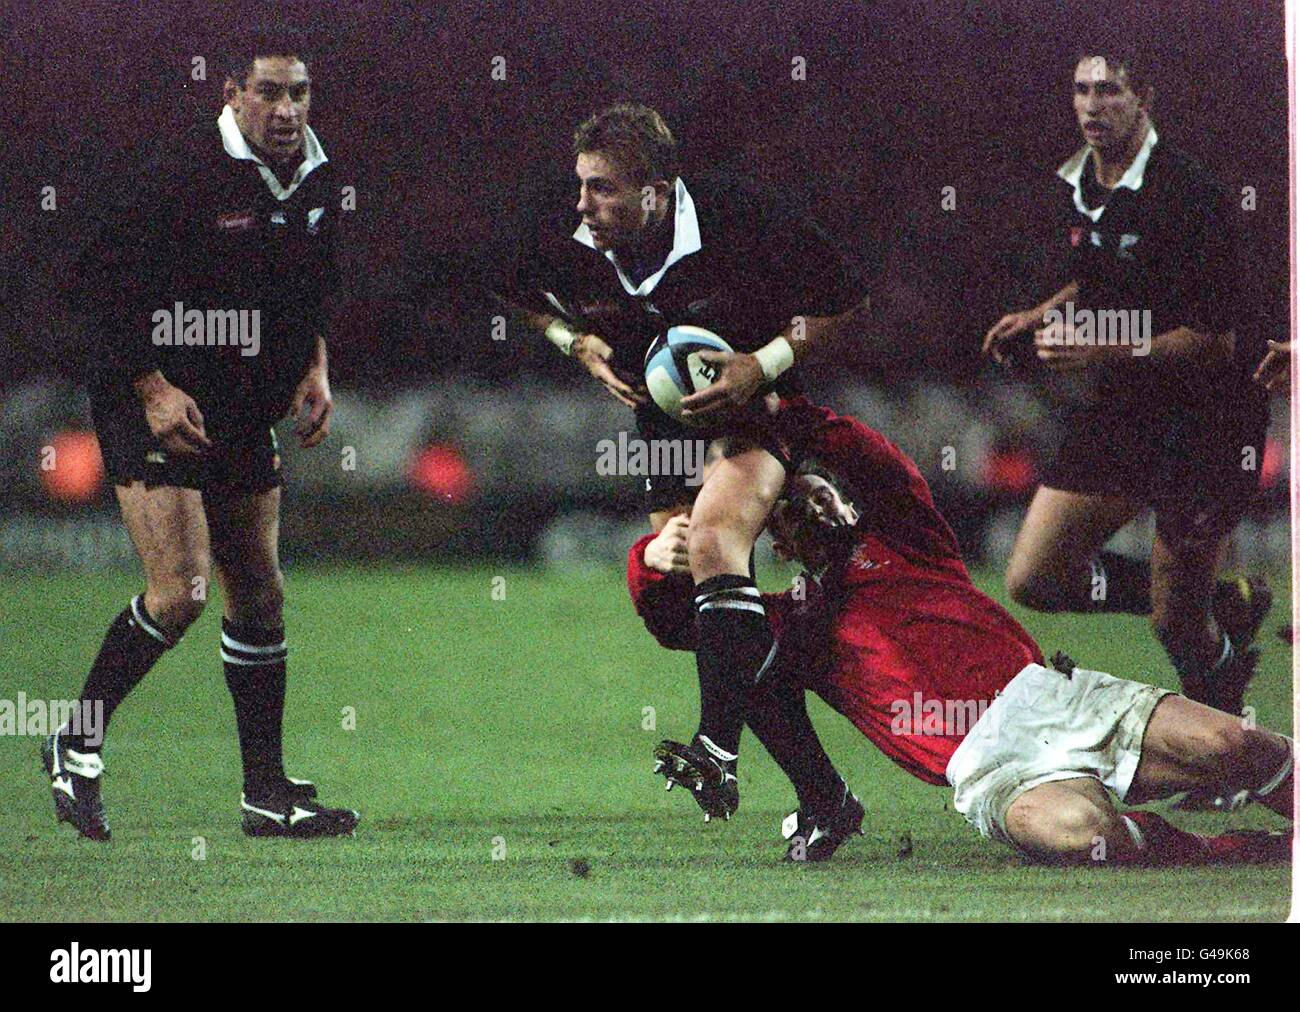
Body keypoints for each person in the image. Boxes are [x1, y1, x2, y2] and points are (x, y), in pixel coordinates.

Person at [630, 401, 1292, 864]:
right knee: (1081, 836)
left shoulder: (906, 538)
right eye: (790, 507)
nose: (814, 502)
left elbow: (873, 458)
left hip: (1057, 700)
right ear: (772, 539)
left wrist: (776, 411)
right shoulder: (790, 624)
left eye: (820, 489)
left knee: (1237, 744)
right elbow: (687, 628)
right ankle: (1239, 853)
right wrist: (653, 560)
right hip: (988, 771)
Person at [500, 102, 872, 809]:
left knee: (712, 543)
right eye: (581, 185)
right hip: (663, 432)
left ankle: (714, 748)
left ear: (657, 192)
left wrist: (760, 363)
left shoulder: (741, 217)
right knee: (685, 609)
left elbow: (844, 298)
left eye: (603, 188)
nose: (585, 205)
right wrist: (573, 343)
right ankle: (825, 797)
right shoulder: (567, 236)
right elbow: (508, 288)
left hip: (758, 410)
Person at [45, 30, 358, 840]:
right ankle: (74, 741)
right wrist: (150, 387)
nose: (287, 109)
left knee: (259, 593)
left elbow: (311, 289)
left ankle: (265, 795)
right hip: (152, 394)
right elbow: (92, 283)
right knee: (181, 592)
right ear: (231, 93)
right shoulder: (179, 177)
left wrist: (313, 367)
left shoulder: (318, 179)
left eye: (299, 92)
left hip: (240, 403)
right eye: (269, 92)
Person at [981, 48, 1273, 808]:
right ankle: (1221, 600)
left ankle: (1228, 758)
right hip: (1131, 409)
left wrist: (1095, 343)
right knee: (1036, 579)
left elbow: (1214, 342)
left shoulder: (1192, 196)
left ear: (1144, 96)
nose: (1090, 105)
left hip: (1210, 414)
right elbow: (1102, 273)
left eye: (1107, 89)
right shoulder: (1076, 181)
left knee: (1176, 628)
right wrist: (1044, 314)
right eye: (1079, 88)